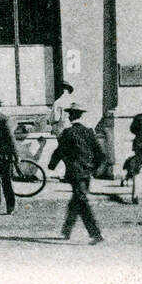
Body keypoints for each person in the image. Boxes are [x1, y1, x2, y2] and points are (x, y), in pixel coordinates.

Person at [48, 102, 104, 244]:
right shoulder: (89, 131)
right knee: (77, 201)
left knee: (81, 202)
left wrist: (52, 165)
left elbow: (59, 151)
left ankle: (96, 234)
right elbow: (100, 153)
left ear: (72, 116)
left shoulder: (68, 133)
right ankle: (66, 230)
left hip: (75, 173)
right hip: (87, 172)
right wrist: (95, 169)